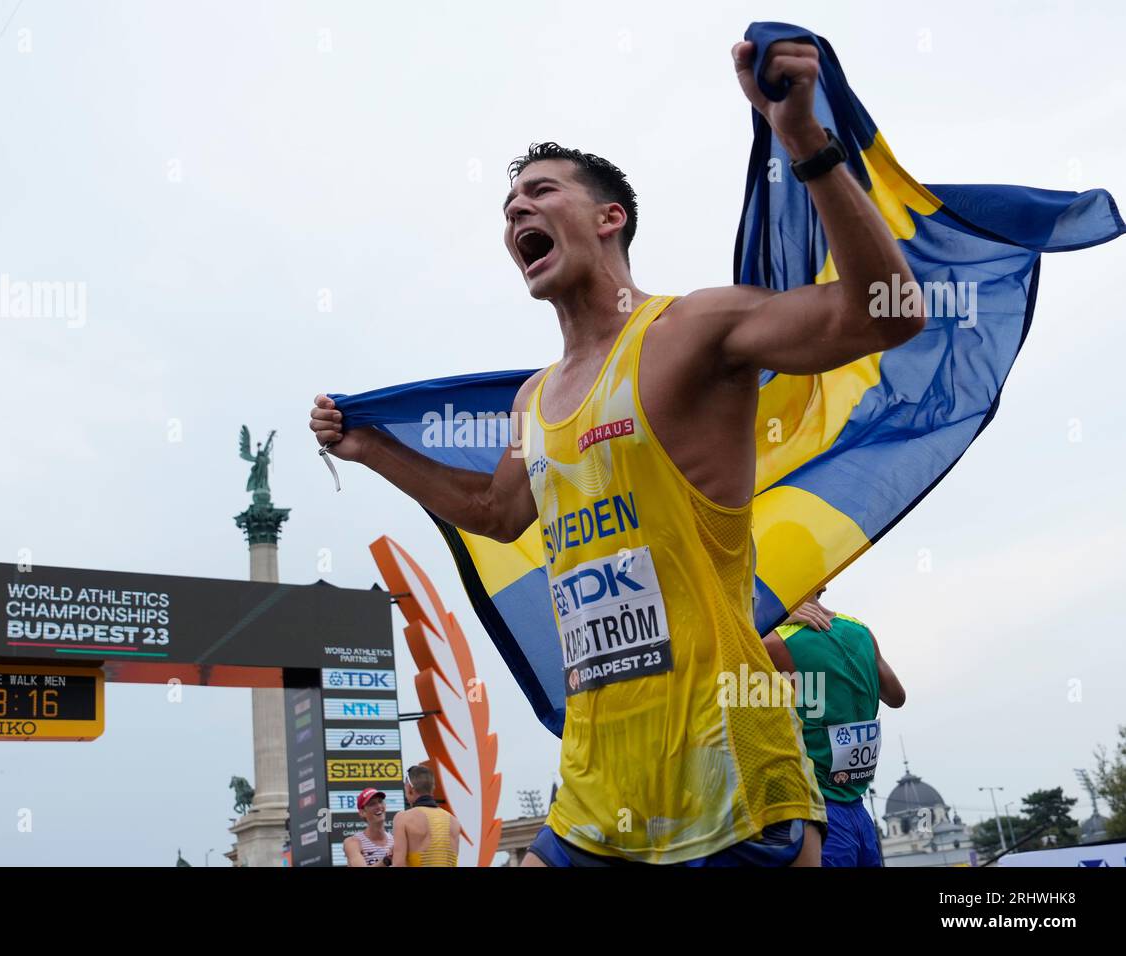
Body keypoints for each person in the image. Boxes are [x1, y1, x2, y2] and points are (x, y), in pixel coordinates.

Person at [311, 38, 923, 865]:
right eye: (507, 208)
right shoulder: (536, 397)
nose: (516, 214)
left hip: (725, 762)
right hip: (599, 773)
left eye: (540, 192)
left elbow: (886, 314)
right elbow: (497, 514)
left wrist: (803, 140)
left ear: (610, 218)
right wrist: (370, 447)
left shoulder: (689, 329)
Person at [763, 587, 907, 867]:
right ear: (822, 585)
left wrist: (767, 622)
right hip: (858, 808)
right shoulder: (860, 630)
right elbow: (896, 697)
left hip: (816, 809)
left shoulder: (773, 642)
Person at [391, 766, 460, 867]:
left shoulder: (403, 818)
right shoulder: (454, 822)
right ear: (432, 789)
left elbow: (398, 864)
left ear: (410, 789)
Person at [343, 787, 394, 867]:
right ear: (362, 812)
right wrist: (387, 860)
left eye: (380, 801)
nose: (379, 806)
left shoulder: (395, 841)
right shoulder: (353, 842)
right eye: (372, 804)